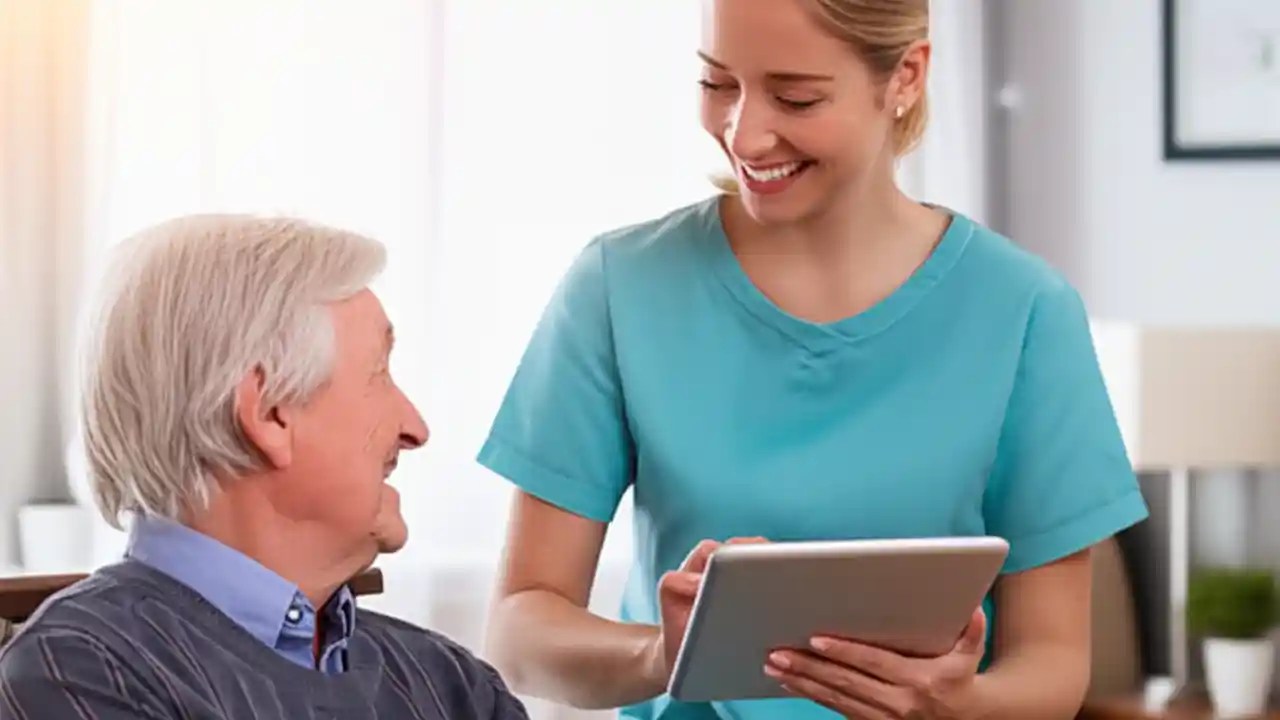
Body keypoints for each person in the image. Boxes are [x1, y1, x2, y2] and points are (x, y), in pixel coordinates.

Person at [476, 1, 1148, 718]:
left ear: (907, 77)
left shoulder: (1023, 310)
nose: (744, 132)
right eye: (718, 84)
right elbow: (520, 630)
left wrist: (957, 706)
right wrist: (663, 655)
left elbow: (1053, 666)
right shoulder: (621, 286)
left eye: (796, 96)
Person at [0, 216, 527, 720]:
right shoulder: (77, 672)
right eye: (379, 373)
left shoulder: (451, 684)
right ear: (270, 412)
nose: (415, 427)